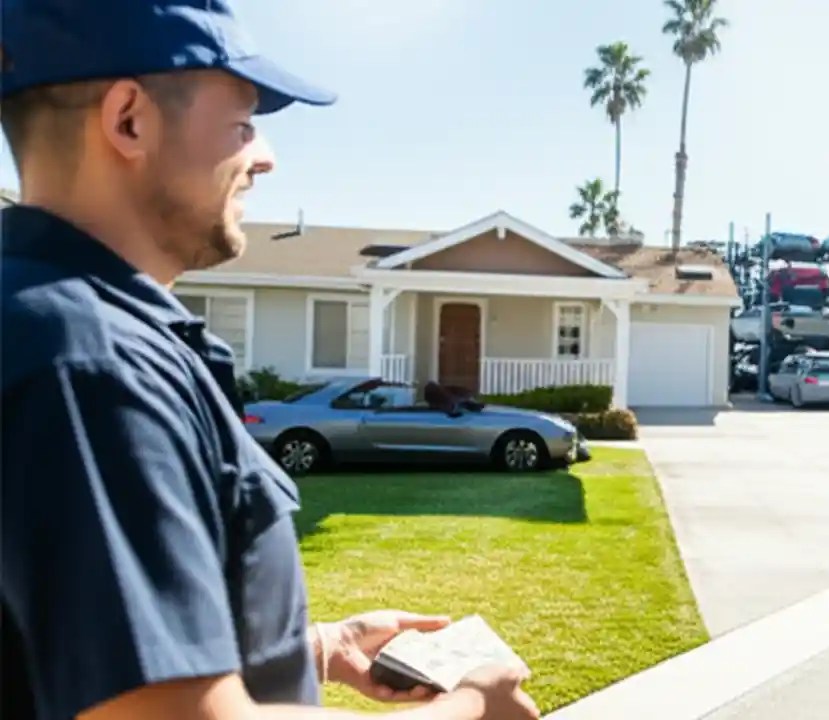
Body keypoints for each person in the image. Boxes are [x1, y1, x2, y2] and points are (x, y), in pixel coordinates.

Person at [0, 2, 539, 719]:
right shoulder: (93, 366)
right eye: (242, 124)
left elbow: (88, 656)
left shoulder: (51, 327)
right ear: (130, 119)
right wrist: (470, 708)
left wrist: (316, 649)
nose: (265, 156)